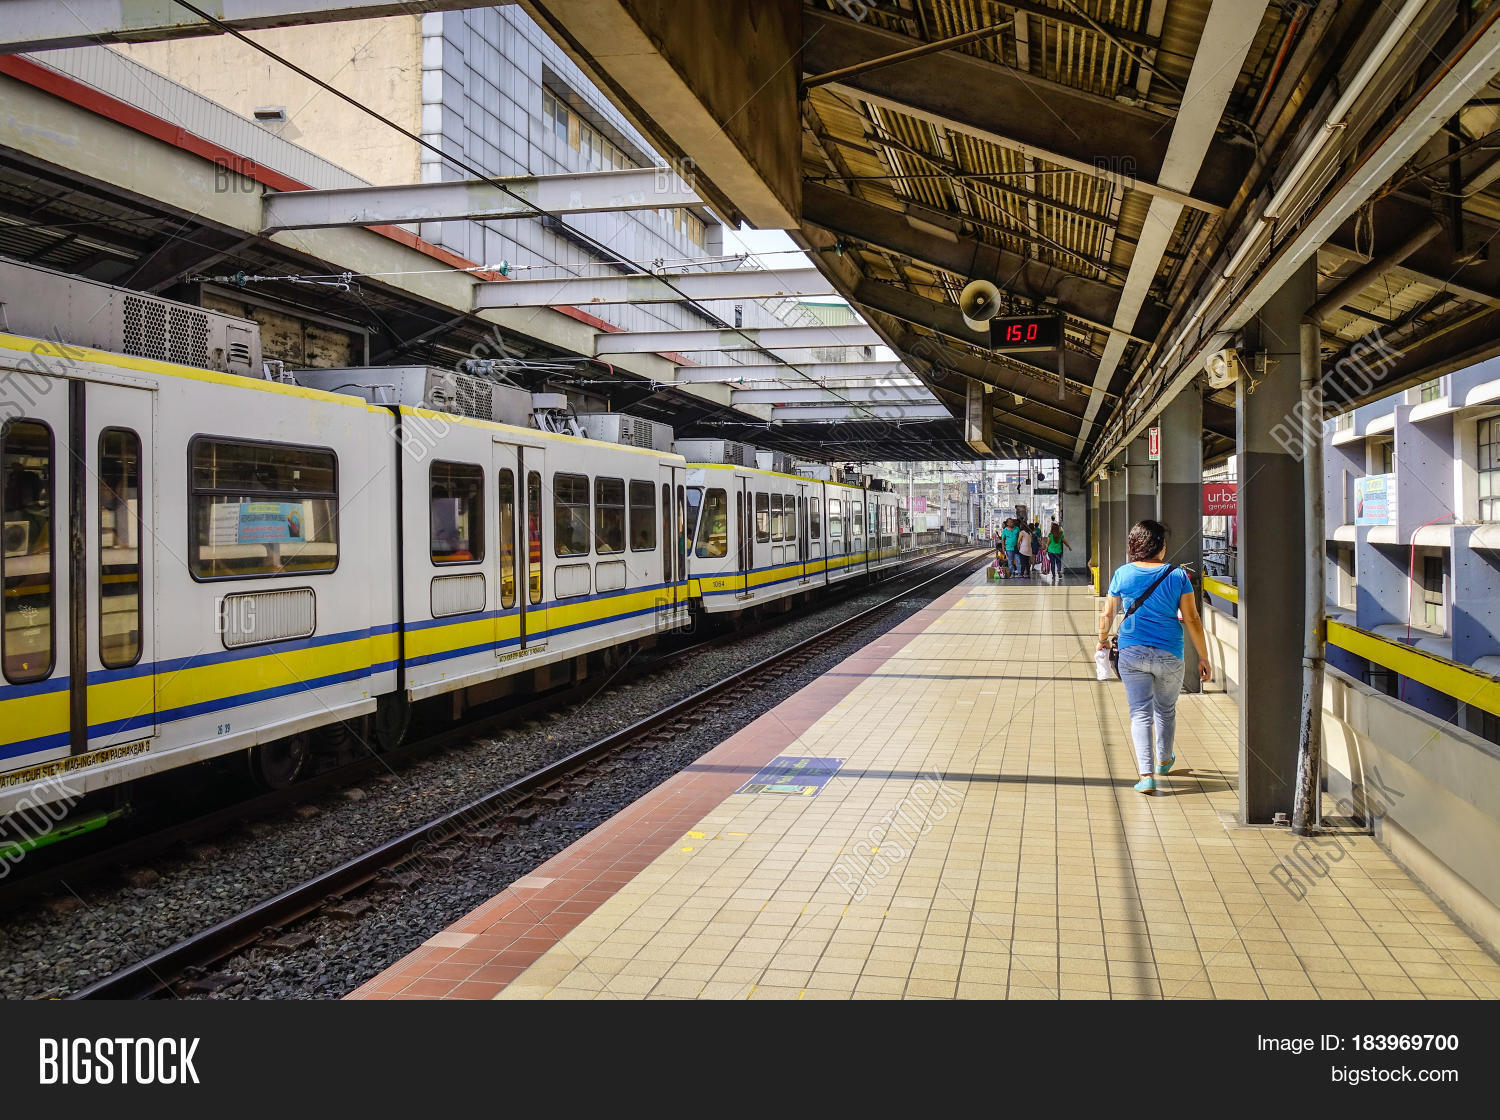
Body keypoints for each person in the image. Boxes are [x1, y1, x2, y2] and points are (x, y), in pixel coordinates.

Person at [1096, 519, 1212, 793]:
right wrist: (1204, 657)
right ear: (1159, 546)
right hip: (1169, 653)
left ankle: (1146, 774)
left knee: (1140, 712)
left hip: (1132, 652)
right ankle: (1163, 760)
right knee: (1166, 709)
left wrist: (1101, 641)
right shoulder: (1177, 576)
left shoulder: (1123, 573)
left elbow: (1107, 614)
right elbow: (1192, 618)